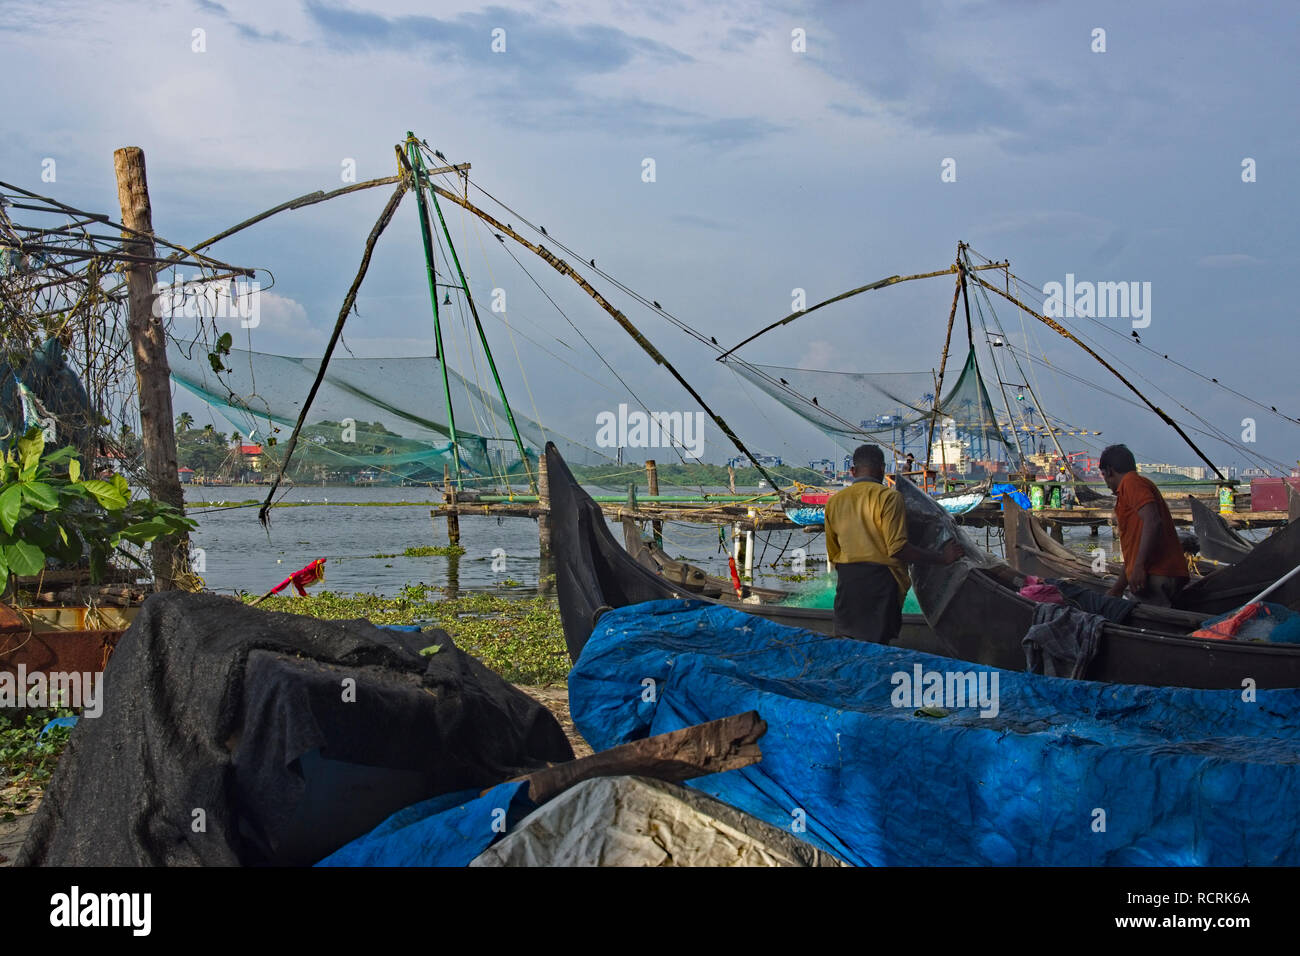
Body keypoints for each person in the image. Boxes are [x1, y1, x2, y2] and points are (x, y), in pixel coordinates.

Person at [825, 444, 962, 643]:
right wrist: (942, 558)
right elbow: (897, 548)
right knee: (878, 644)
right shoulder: (889, 497)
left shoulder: (834, 502)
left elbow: (833, 552)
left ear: (852, 471)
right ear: (882, 469)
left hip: (848, 581)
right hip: (881, 581)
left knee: (848, 642)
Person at [1099, 443, 1188, 607]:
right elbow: (1133, 549)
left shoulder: (1131, 483)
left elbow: (1153, 521)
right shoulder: (1131, 488)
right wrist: (1118, 588)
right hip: (1157, 573)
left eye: (1104, 475)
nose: (1105, 483)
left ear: (1110, 471)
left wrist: (1139, 567)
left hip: (1157, 574)